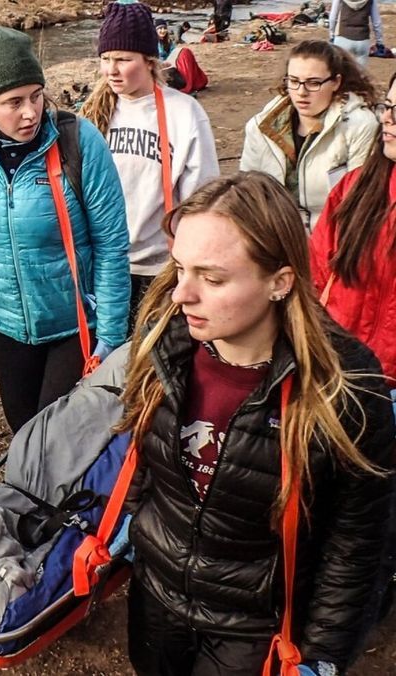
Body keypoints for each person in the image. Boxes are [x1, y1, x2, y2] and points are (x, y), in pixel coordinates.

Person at [118, 171, 395, 676]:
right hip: (156, 606)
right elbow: (145, 454)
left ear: (280, 282)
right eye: (179, 268)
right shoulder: (164, 344)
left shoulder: (345, 390)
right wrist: (139, 531)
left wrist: (323, 656)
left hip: (255, 635)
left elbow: (356, 545)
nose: (182, 295)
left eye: (213, 278)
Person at [0, 27, 131, 434]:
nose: (30, 112)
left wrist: (110, 334)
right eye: (13, 102)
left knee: (59, 439)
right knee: (23, 433)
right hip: (8, 325)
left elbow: (110, 244)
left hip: (75, 324)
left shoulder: (79, 141)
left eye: (36, 95)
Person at [81, 0, 219, 323]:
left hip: (159, 272)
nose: (111, 70)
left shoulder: (184, 114)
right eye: (105, 59)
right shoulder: (91, 115)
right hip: (102, 270)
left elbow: (203, 199)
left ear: (149, 58)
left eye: (123, 59)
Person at [311, 71, 396, 413]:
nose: (388, 117)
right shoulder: (352, 189)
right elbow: (316, 276)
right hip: (339, 373)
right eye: (387, 106)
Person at [240, 40, 378, 231]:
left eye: (314, 83)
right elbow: (247, 192)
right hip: (276, 239)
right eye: (294, 81)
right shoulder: (260, 126)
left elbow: (360, 202)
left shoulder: (359, 126)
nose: (301, 92)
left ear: (336, 82)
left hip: (334, 240)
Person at [329, 0, 384, 66]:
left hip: (343, 36)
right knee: (361, 72)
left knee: (341, 70)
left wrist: (332, 35)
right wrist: (379, 42)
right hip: (362, 39)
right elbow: (376, 22)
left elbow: (333, 18)